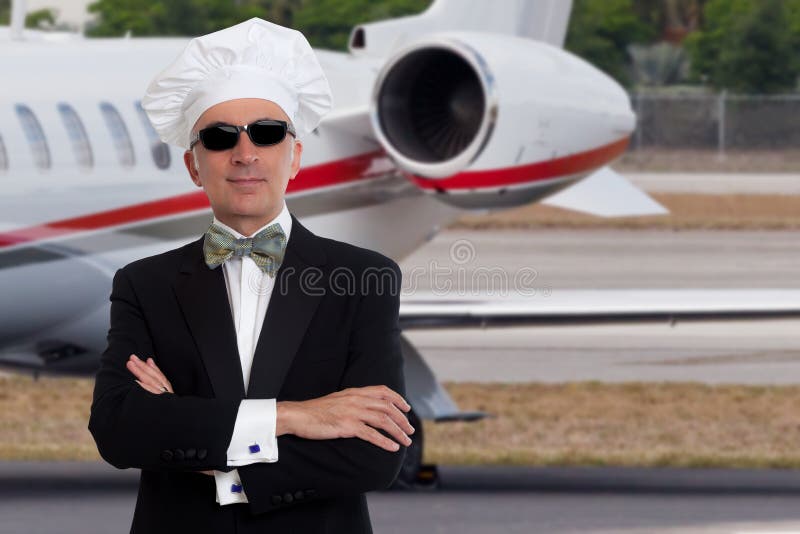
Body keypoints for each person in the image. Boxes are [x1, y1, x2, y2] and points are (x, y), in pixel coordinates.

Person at [88, 18, 413, 534]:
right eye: (219, 138)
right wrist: (293, 417)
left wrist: (203, 448)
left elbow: (377, 453)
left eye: (266, 132)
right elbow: (118, 430)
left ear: (295, 155)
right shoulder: (143, 284)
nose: (245, 154)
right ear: (194, 166)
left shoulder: (362, 278)